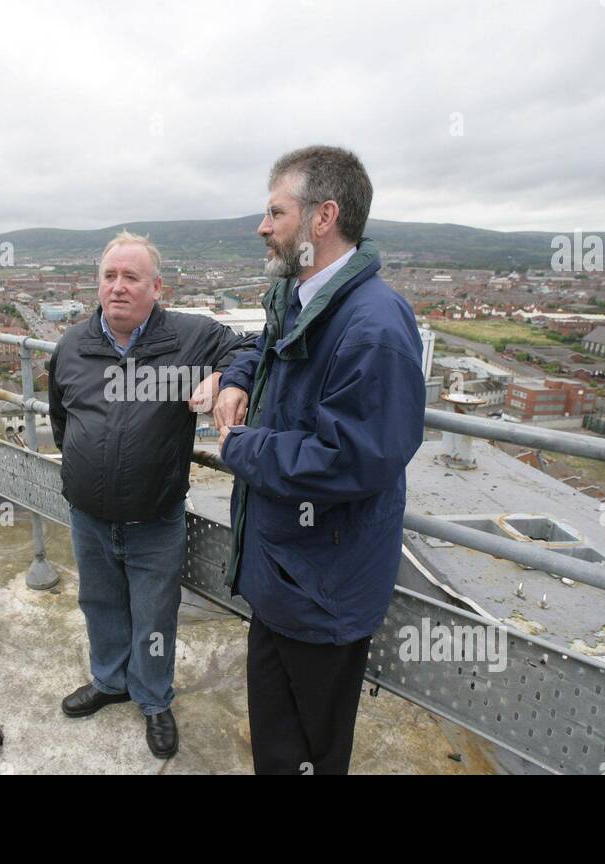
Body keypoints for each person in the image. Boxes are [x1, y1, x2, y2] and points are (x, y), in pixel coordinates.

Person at [213, 146, 426, 774]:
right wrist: (236, 377)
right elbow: (266, 342)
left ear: (323, 217)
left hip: (324, 588)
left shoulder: (374, 327)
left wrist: (239, 445)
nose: (262, 226)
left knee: (311, 752)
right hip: (281, 572)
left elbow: (353, 460)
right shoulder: (301, 293)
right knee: (276, 742)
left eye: (275, 211)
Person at [48, 230, 252, 759]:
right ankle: (110, 681)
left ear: (156, 286)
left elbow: (252, 346)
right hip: (88, 515)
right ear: (98, 284)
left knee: (155, 613)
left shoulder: (188, 338)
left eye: (131, 277)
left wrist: (226, 379)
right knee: (99, 604)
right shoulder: (72, 346)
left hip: (155, 517)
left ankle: (154, 699)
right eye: (109, 276)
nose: (118, 287)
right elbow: (61, 421)